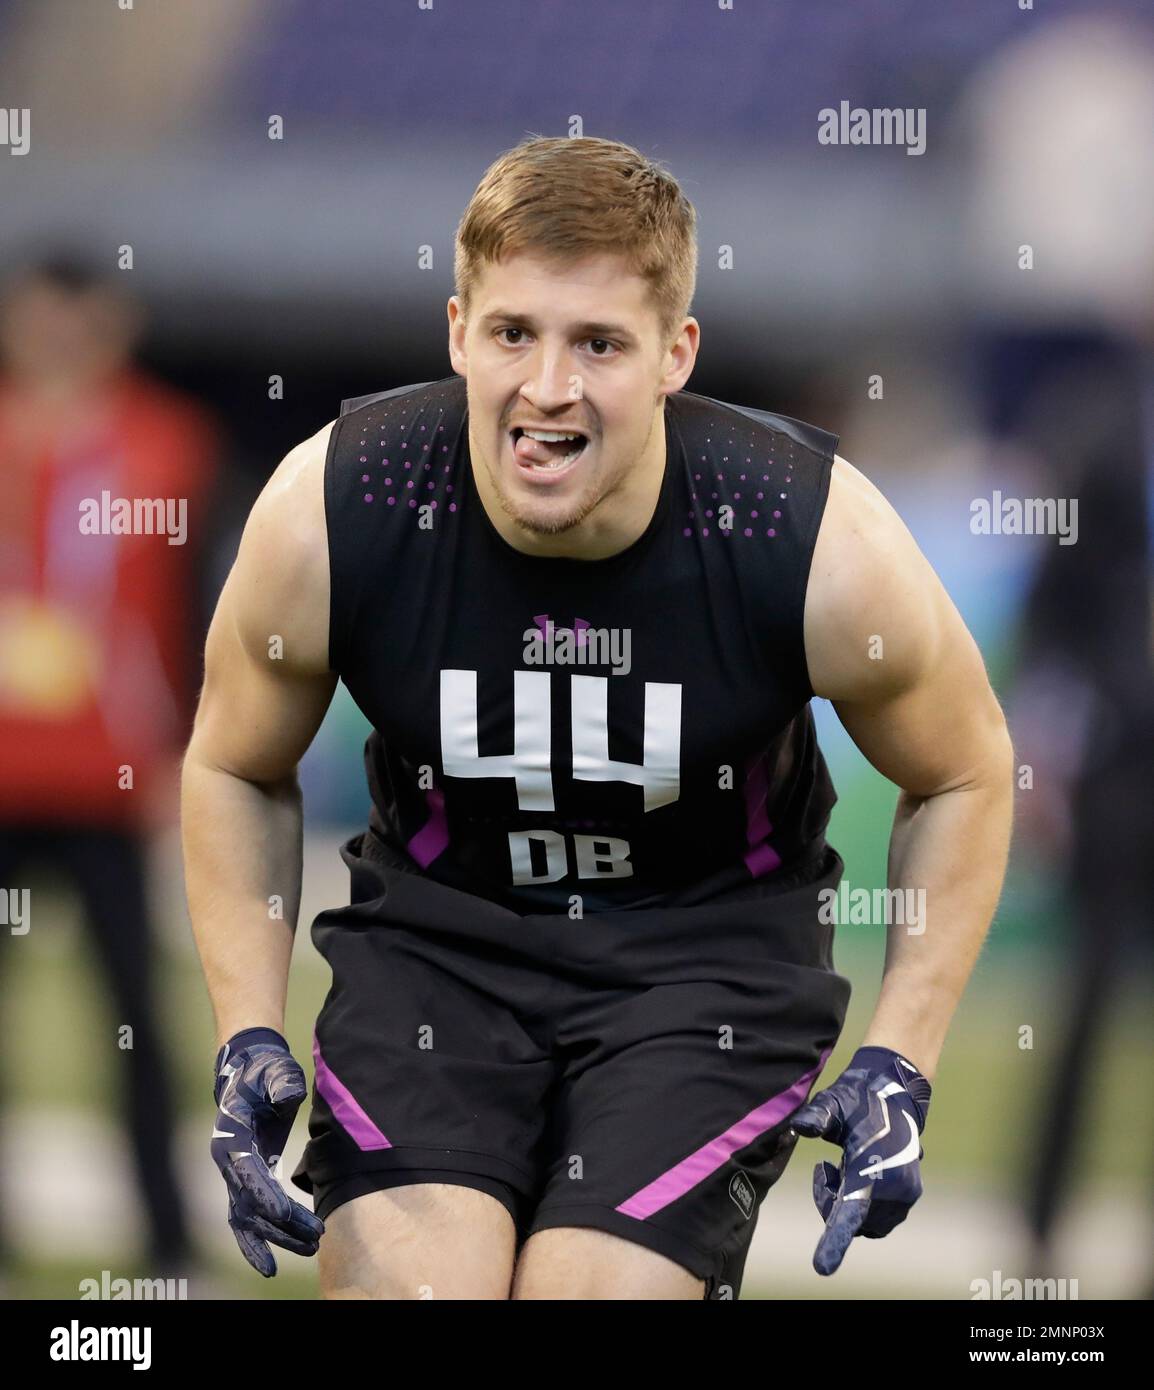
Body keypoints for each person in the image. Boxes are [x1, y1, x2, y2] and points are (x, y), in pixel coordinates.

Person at [182, 136, 1014, 1300]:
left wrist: (899, 1060)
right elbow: (231, 762)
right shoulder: (336, 507)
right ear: (457, 329)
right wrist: (246, 1033)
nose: (548, 388)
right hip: (437, 952)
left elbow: (967, 772)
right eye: (514, 332)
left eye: (599, 344)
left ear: (675, 354)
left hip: (705, 969)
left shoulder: (809, 538)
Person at [0, 253, 220, 1273]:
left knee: (133, 1012)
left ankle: (167, 1245)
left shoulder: (164, 444)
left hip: (106, 776)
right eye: (40, 319)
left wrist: (190, 753)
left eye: (77, 322)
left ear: (115, 326)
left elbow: (198, 615)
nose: (58, 342)